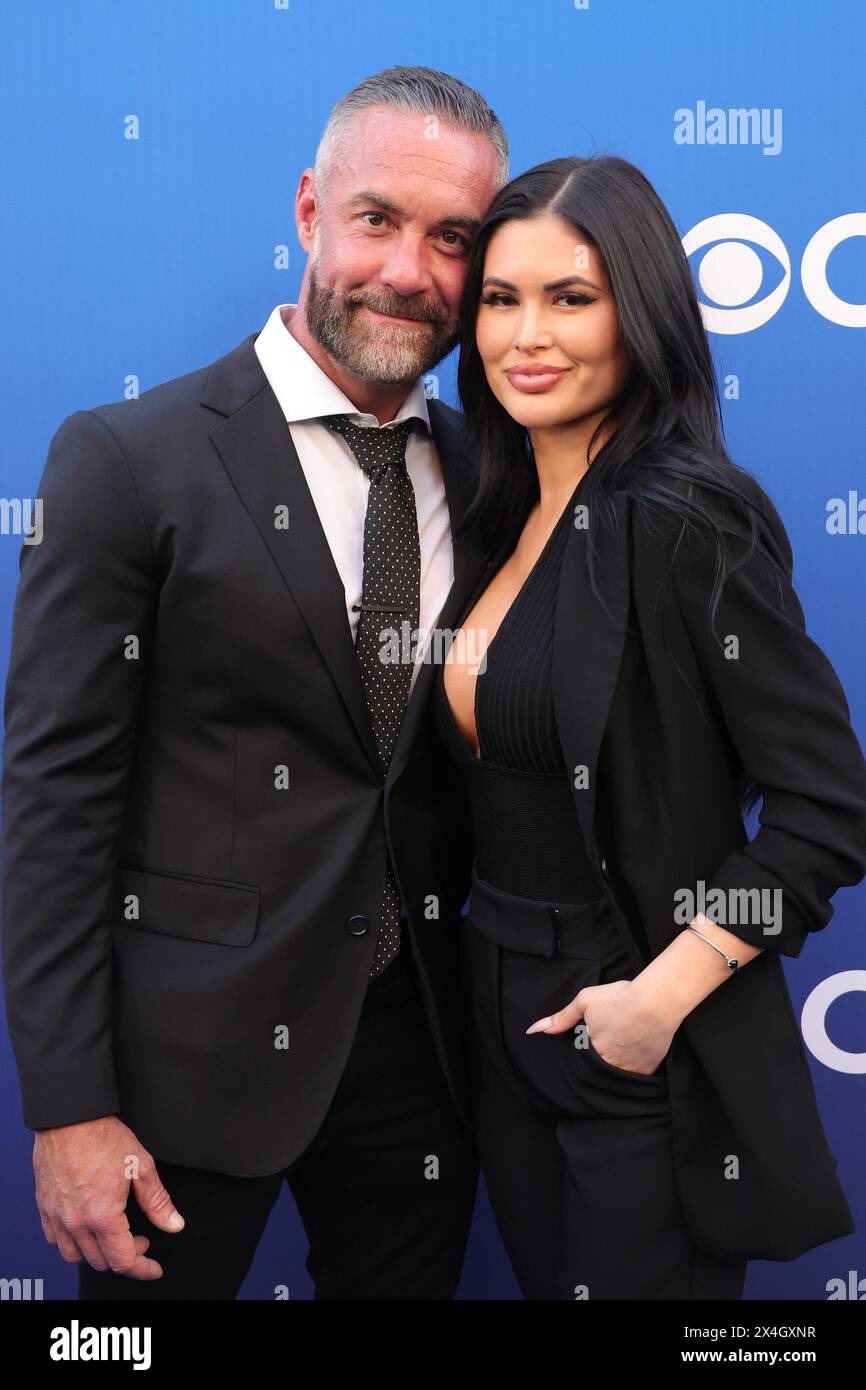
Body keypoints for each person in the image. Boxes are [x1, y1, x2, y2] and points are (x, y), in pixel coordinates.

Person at [0, 65, 505, 1300]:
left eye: (451, 239)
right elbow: (52, 808)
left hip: (423, 1061)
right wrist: (68, 1109)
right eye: (377, 218)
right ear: (306, 210)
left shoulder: (494, 479)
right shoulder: (127, 458)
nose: (406, 271)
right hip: (181, 1069)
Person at [434, 153, 866, 1300]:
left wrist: (660, 995)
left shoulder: (685, 520)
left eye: (570, 298)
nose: (526, 335)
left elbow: (829, 809)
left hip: (628, 1016)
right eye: (498, 297)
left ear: (642, 314)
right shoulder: (497, 511)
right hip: (494, 1002)